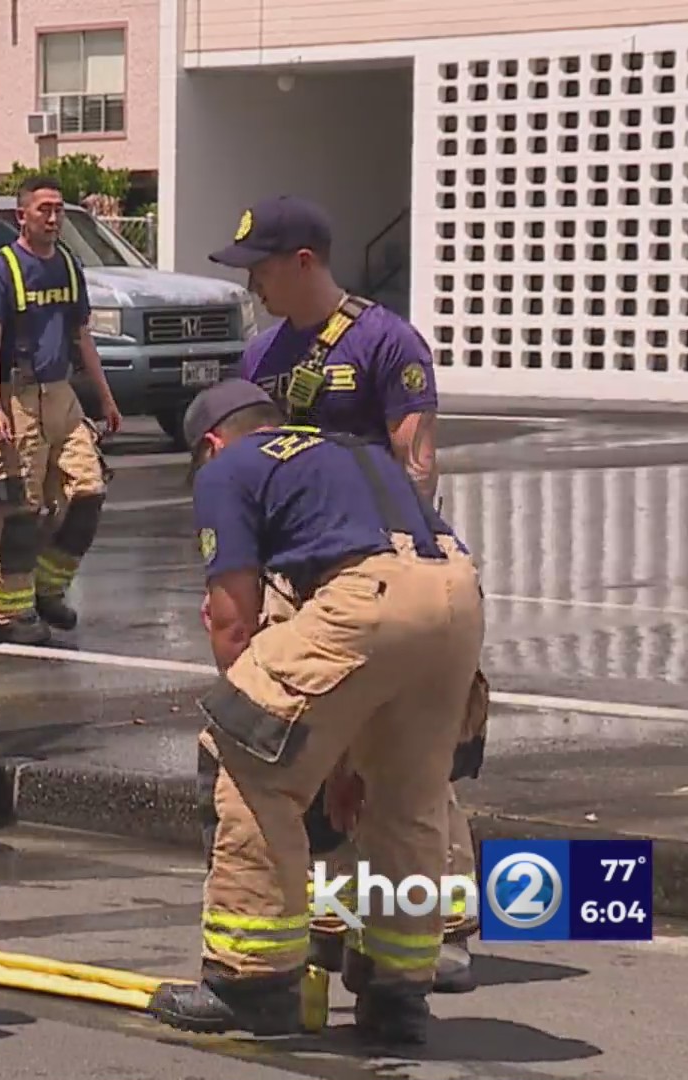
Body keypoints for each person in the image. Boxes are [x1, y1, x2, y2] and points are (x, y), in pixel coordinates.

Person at [203, 194, 485, 993]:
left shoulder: (386, 341)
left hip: (375, 570)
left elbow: (417, 462)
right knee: (313, 757)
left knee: (405, 764)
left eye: (261, 269)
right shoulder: (262, 357)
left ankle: (442, 924)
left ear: (304, 263)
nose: (253, 286)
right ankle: (332, 916)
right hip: (301, 575)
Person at [149, 380, 484, 1045]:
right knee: (407, 799)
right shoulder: (346, 452)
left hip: (368, 596)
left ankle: (252, 982)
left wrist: (275, 736)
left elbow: (235, 629)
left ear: (211, 444)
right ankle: (398, 993)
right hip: (456, 595)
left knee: (244, 757)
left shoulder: (229, 470)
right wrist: (334, 756)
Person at [0, 174, 121, 645]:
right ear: (22, 215)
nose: (53, 218)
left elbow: (82, 336)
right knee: (19, 511)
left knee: (88, 491)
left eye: (58, 209)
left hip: (61, 397)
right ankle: (9, 614)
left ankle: (48, 591)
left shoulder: (68, 266)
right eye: (44, 210)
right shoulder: (1, 270)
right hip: (16, 398)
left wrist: (106, 397)